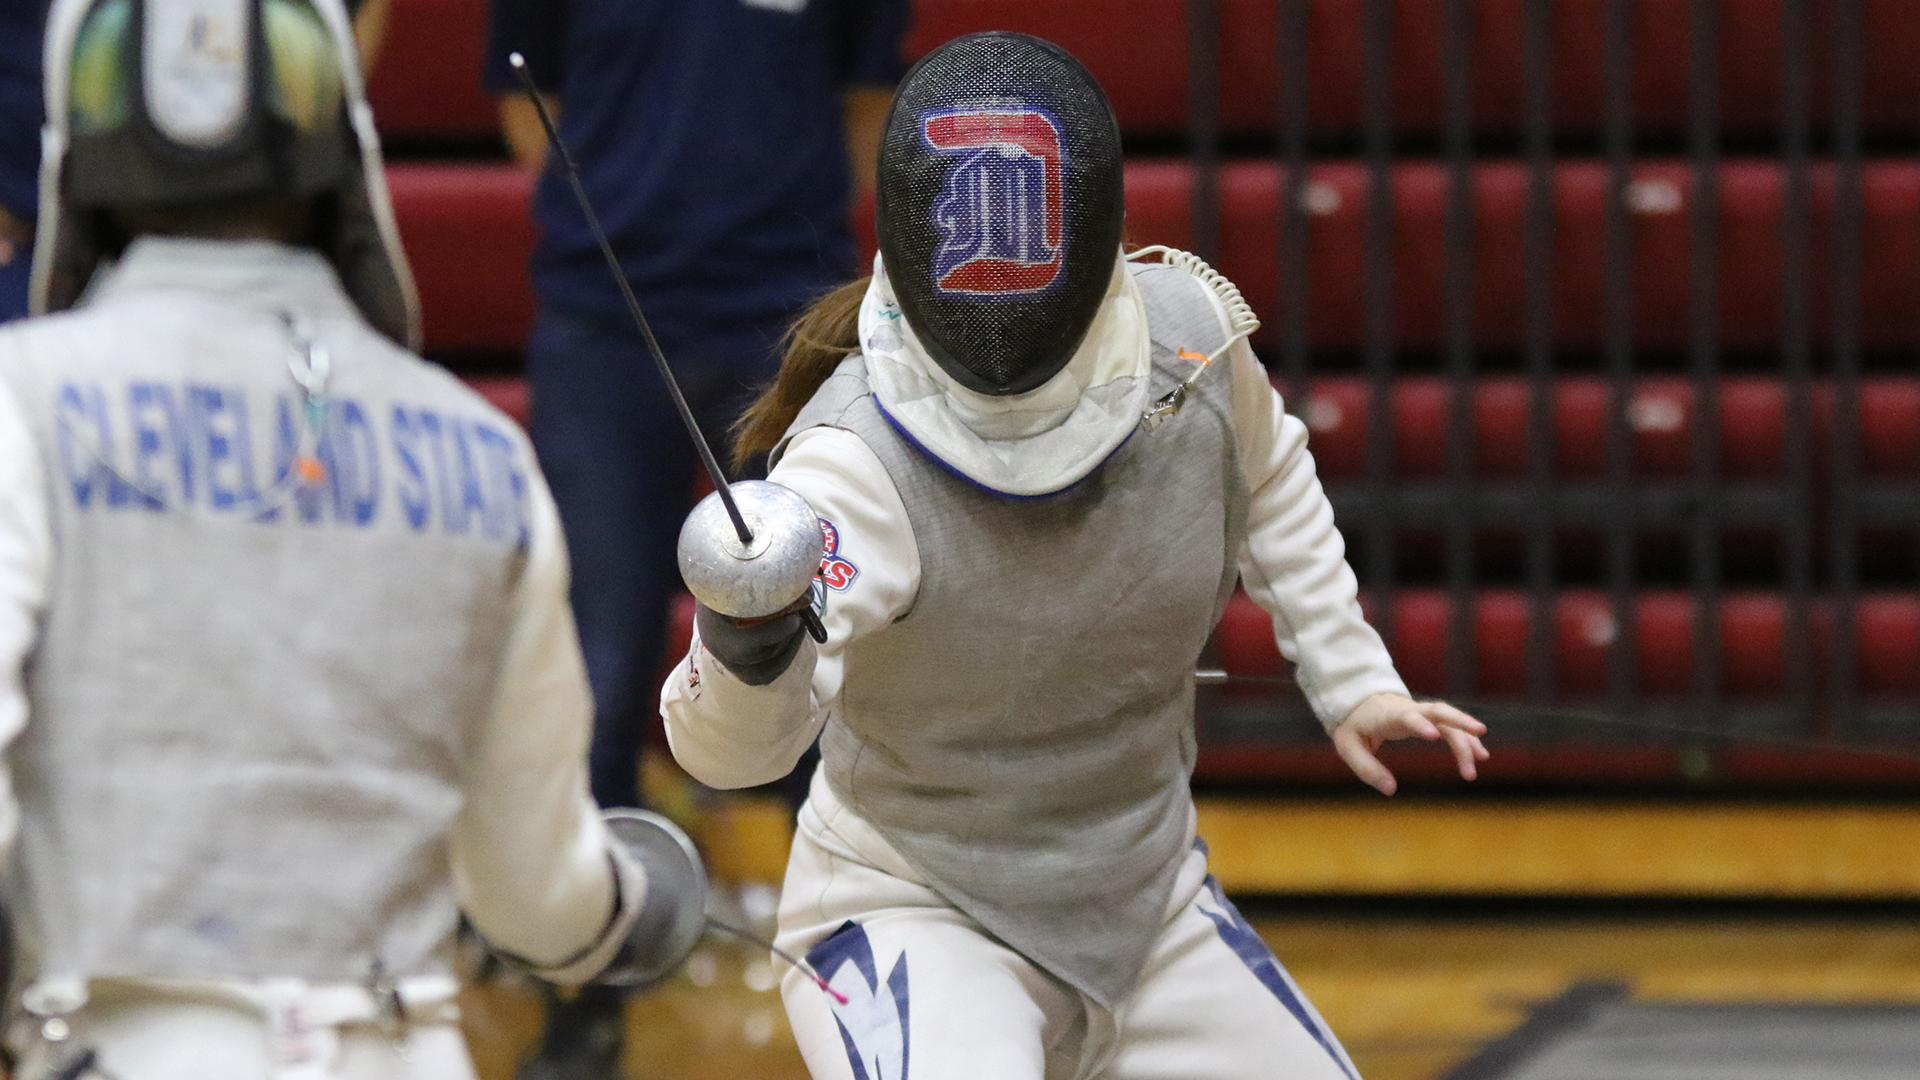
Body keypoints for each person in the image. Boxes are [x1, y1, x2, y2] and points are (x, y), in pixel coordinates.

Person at [662, 33, 1490, 1080]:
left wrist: (1353, 678)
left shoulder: (1190, 347)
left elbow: (1268, 476)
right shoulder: (853, 467)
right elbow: (733, 758)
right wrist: (747, 648)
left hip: (1146, 903)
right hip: (916, 908)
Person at [0, 1, 704, 1076]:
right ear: (340, 144)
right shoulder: (480, 451)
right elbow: (536, 894)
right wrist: (638, 902)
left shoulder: (22, 405)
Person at [481, 1, 908, 1073]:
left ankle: (867, 986)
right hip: (603, 325)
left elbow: (868, 107)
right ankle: (587, 986)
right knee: (600, 671)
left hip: (788, 324)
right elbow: (528, 108)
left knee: (827, 652)